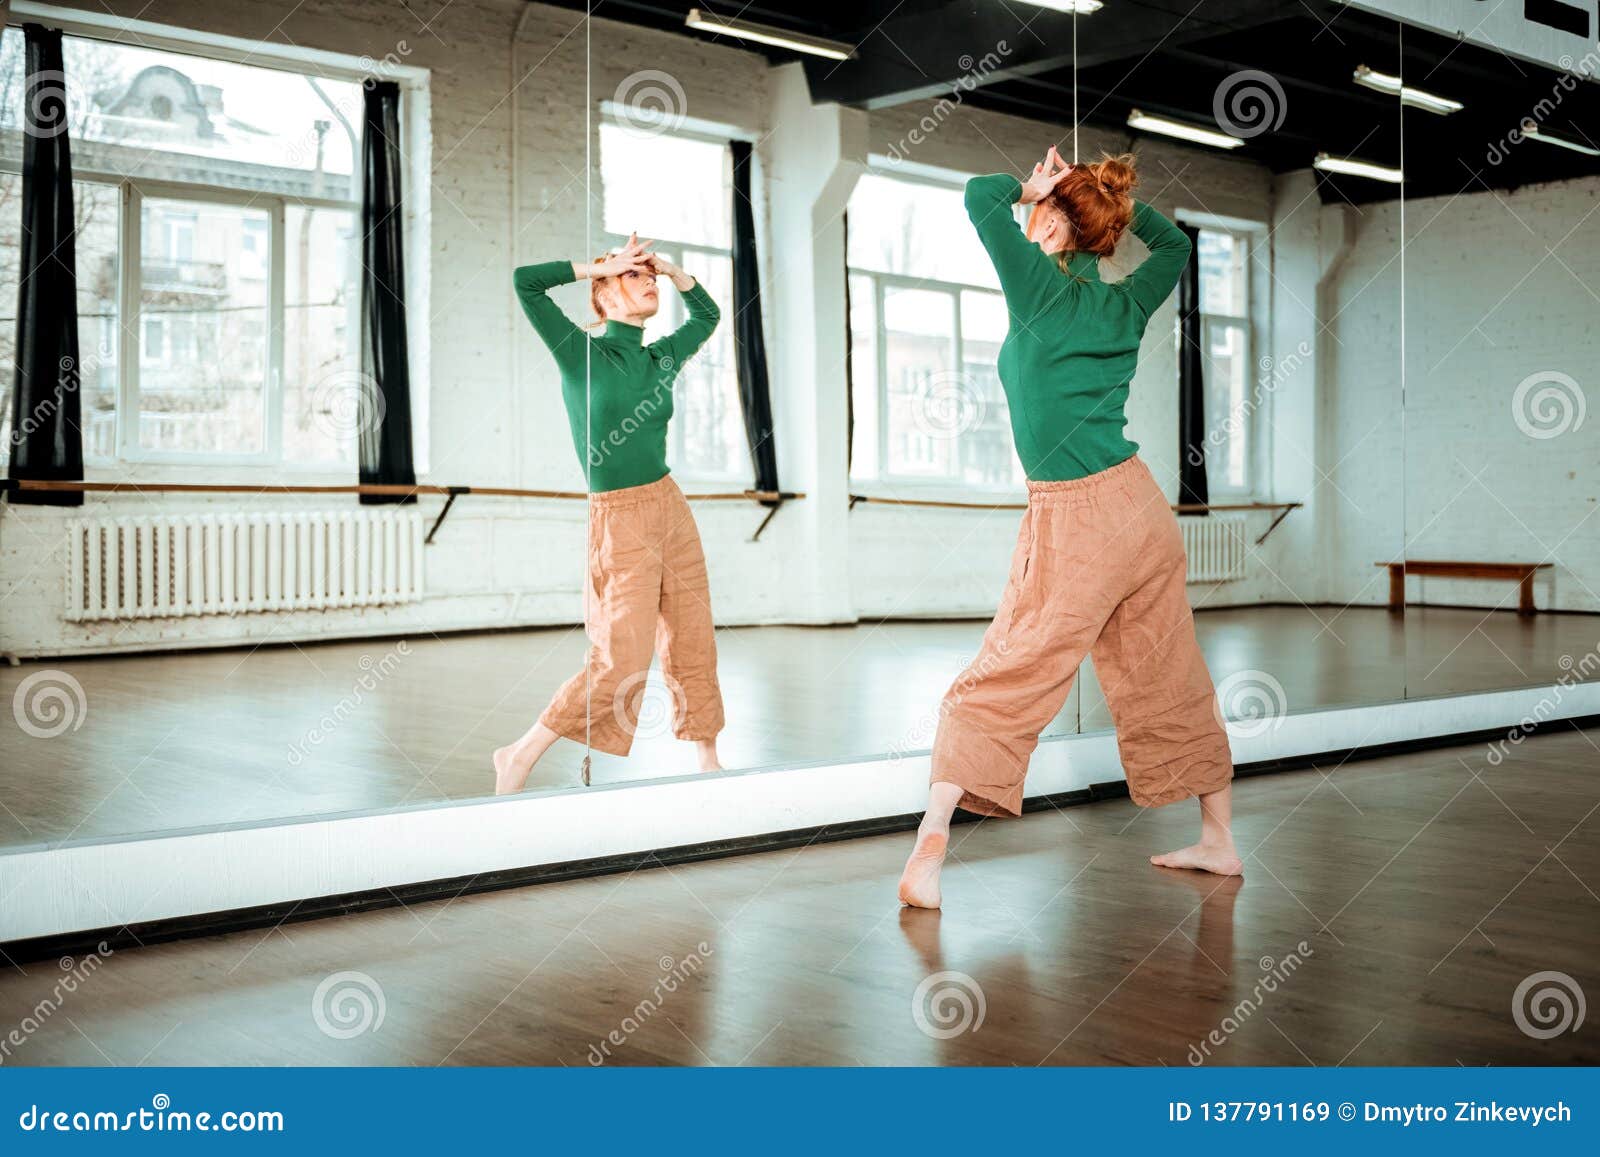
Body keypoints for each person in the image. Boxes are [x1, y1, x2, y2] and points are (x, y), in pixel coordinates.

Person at [898, 148, 1241, 909]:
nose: (1027, 218)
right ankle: (1218, 839)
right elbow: (1176, 245)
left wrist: (1035, 186)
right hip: (1140, 509)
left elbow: (978, 192)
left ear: (1053, 226)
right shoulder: (1126, 300)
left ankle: (930, 845)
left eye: (1039, 213)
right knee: (1170, 674)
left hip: (1077, 517)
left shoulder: (1038, 288)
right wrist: (1107, 204)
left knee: (1010, 668)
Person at [494, 235, 724, 793]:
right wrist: (600, 265)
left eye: (649, 276)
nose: (648, 282)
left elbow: (708, 315)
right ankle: (519, 753)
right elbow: (527, 281)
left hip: (670, 505)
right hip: (620, 518)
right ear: (605, 295)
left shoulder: (659, 356)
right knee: (621, 657)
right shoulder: (581, 354)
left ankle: (708, 760)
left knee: (693, 634)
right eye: (632, 276)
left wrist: (672, 270)